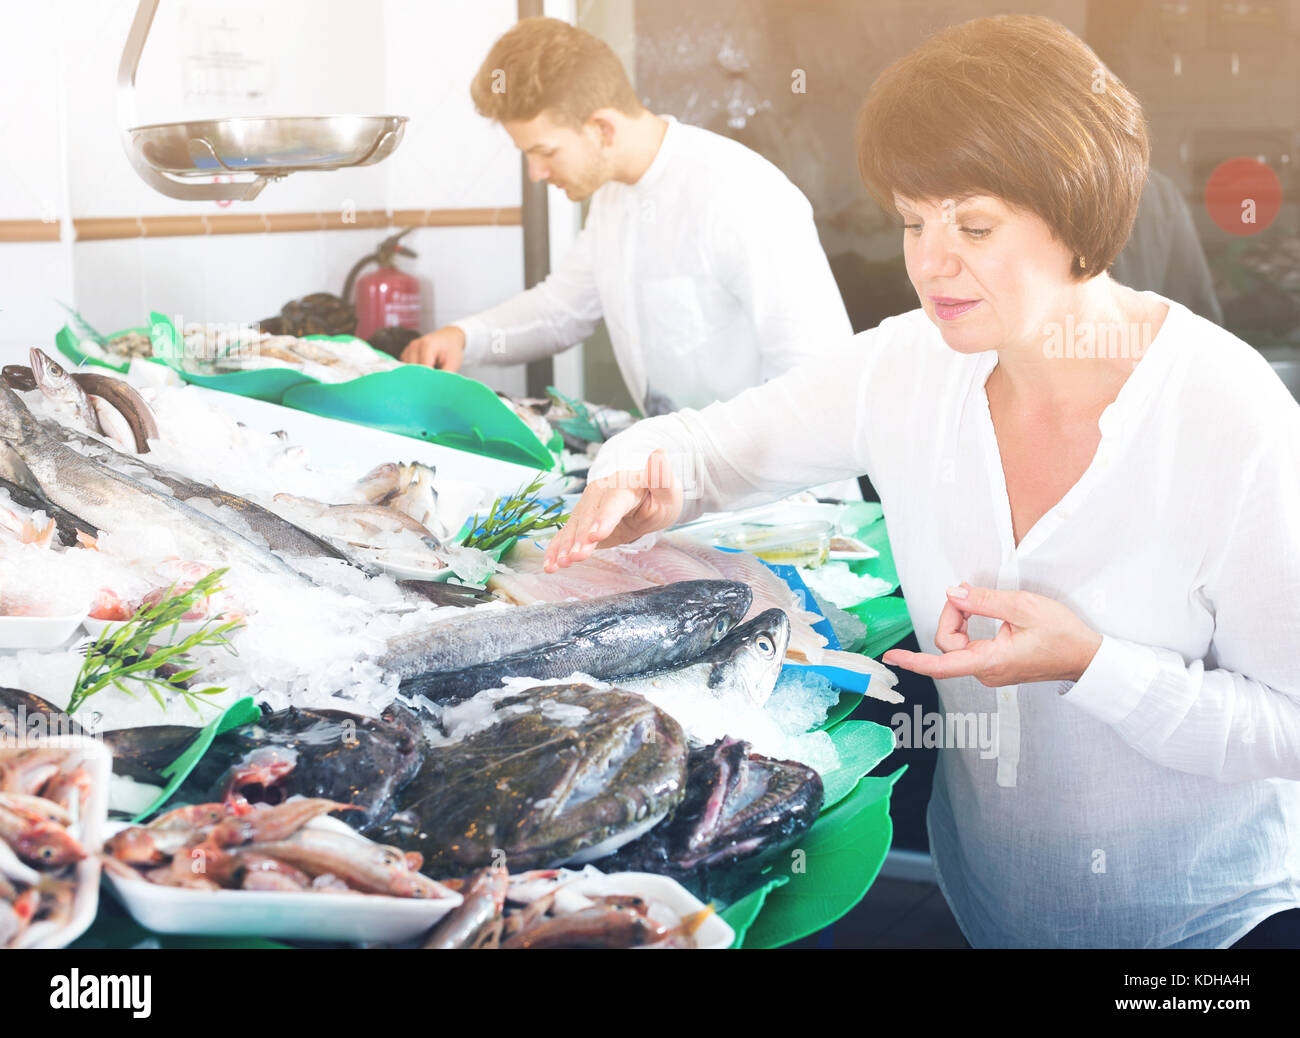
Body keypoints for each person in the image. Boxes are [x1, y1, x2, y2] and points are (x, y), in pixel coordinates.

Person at [542, 15, 1300, 949]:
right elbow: (707, 449)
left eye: (972, 224)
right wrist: (641, 475)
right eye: (912, 219)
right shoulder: (911, 365)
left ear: (1077, 210)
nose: (930, 262)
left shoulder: (1230, 414)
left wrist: (1093, 665)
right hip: (991, 906)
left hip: (1210, 926)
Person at [401, 17, 854, 421]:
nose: (536, 174)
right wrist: (464, 336)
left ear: (602, 128)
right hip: (694, 487)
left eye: (545, 153)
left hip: (791, 503)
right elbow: (565, 309)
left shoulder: (741, 194)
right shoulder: (613, 198)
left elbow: (820, 376)